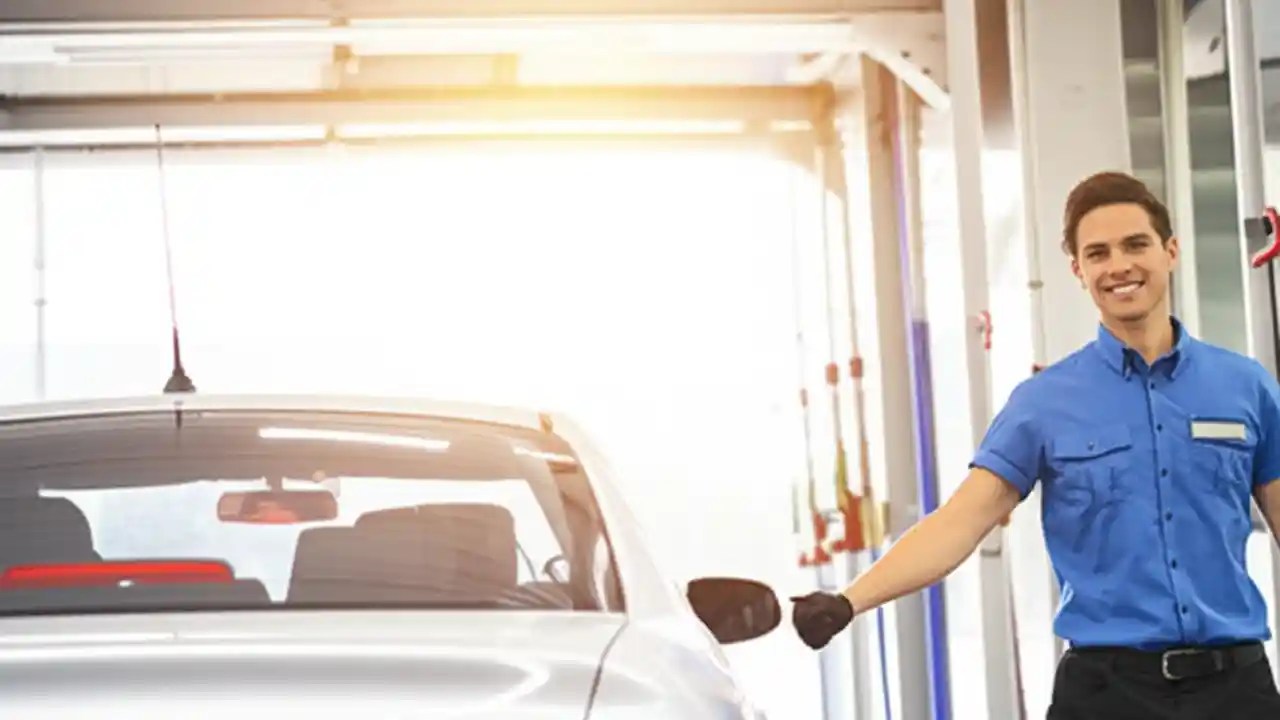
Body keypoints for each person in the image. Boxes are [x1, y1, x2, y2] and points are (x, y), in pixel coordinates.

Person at [790, 171, 1280, 719]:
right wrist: (848, 600)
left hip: (1237, 693)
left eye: (1135, 245)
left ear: (1170, 251)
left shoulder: (1246, 386)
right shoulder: (1043, 404)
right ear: (1079, 271)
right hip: (1106, 696)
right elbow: (960, 522)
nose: (1118, 266)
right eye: (1098, 253)